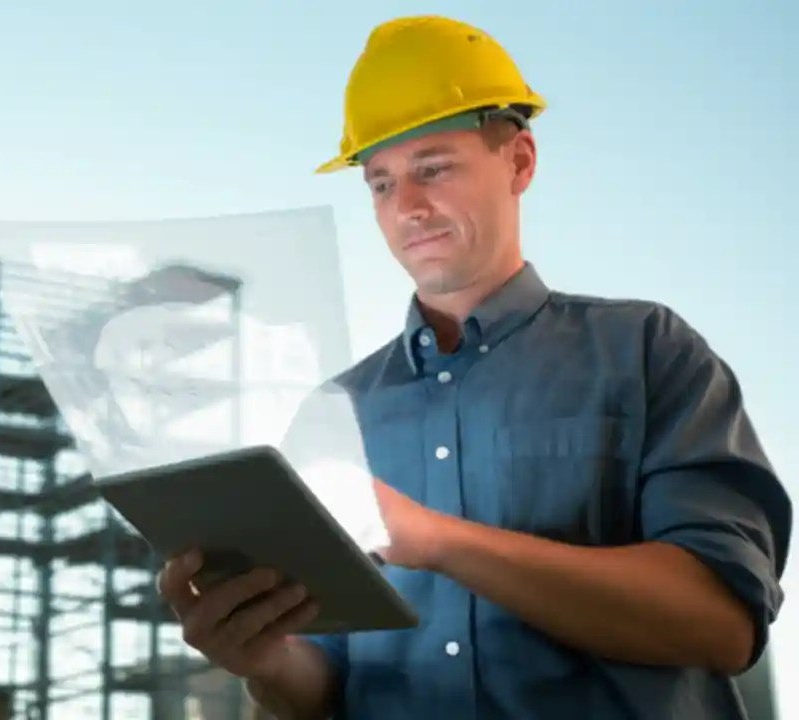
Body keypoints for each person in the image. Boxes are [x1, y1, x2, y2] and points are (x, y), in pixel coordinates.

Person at [154, 14, 791, 720]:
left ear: (519, 161)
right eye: (381, 184)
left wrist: (434, 539)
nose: (408, 209)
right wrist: (263, 659)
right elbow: (325, 681)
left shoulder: (647, 352)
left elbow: (722, 622)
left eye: (433, 168)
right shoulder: (335, 413)